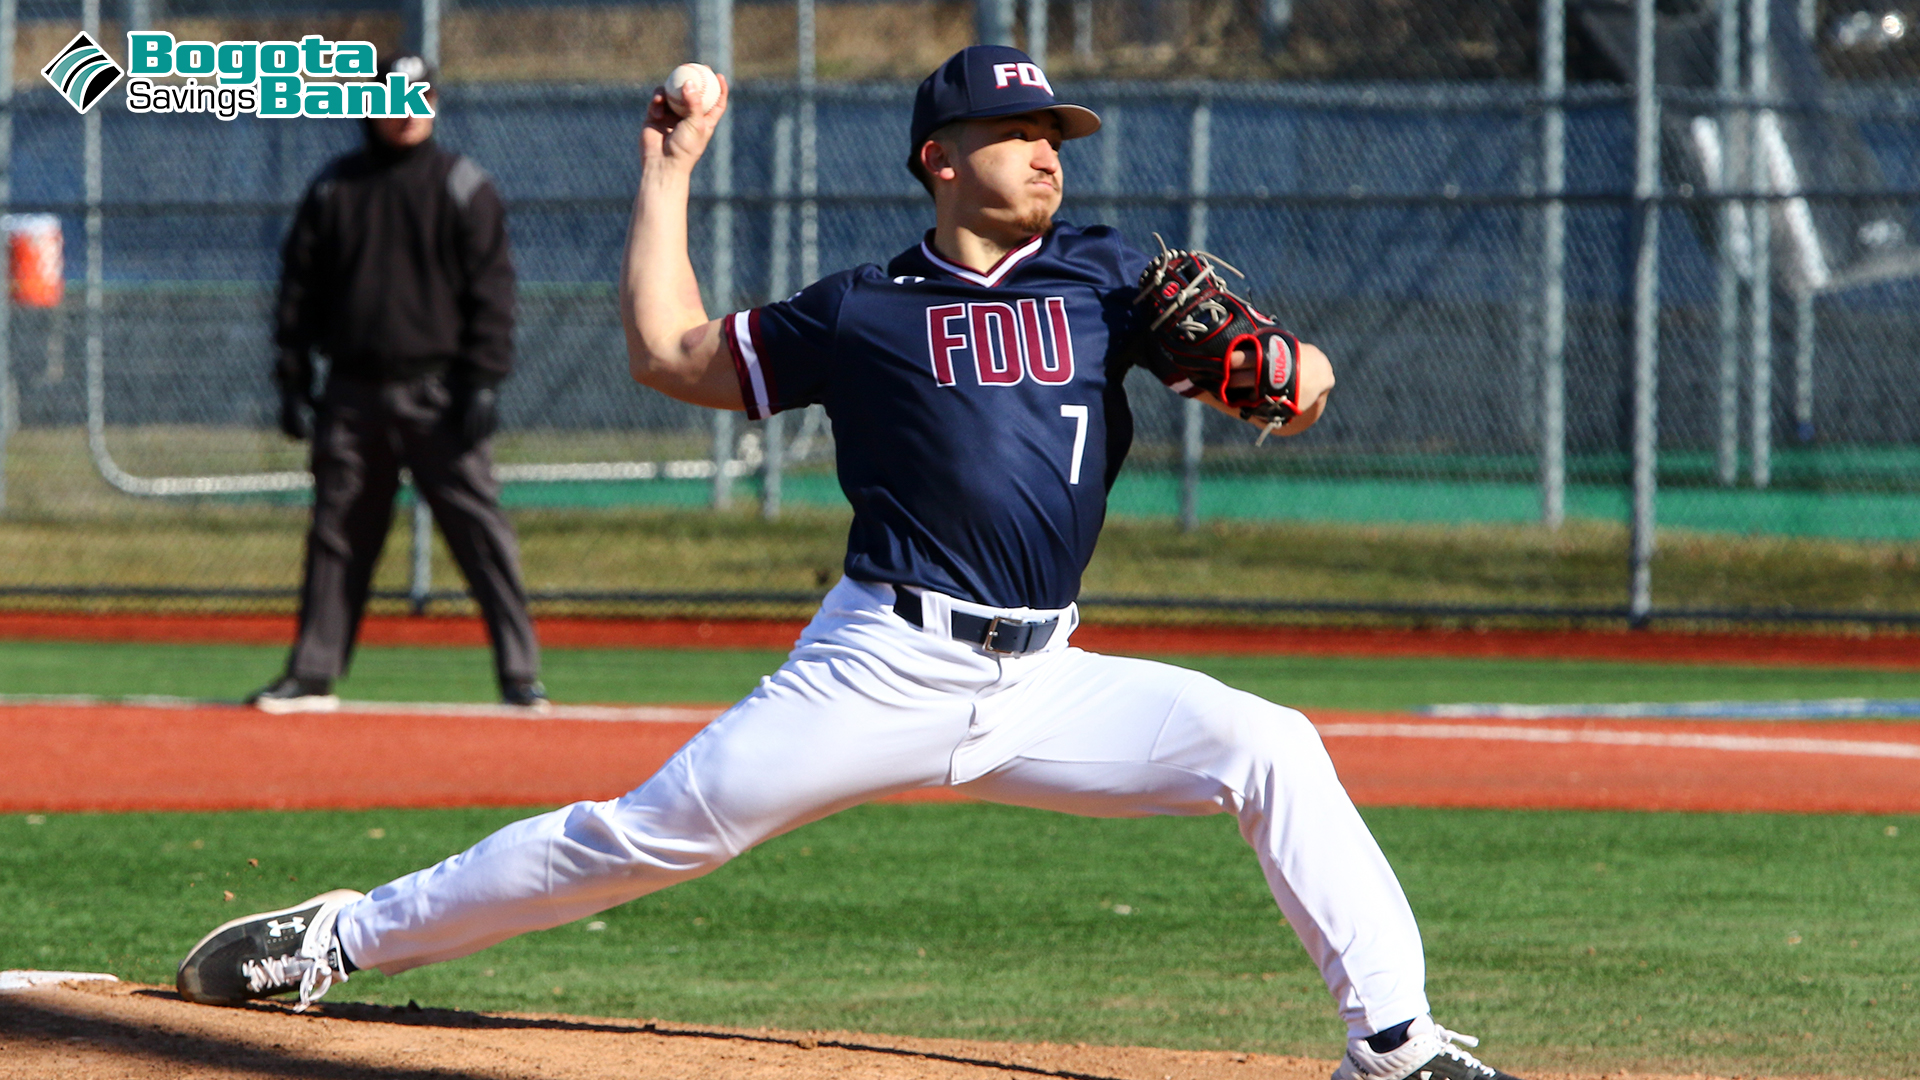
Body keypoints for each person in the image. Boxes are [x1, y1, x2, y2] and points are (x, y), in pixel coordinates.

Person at [182, 46, 1524, 1080]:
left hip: (1044, 677)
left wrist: (1290, 375)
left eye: (1054, 132)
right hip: (882, 661)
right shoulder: (865, 311)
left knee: (1271, 746)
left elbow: (1298, 384)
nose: (1047, 152)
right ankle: (340, 939)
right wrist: (669, 164)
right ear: (939, 157)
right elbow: (669, 354)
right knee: (643, 837)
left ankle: (1393, 1045)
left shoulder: (1112, 278)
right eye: (1015, 131)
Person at [251, 54, 546, 714]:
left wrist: (483, 382)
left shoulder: (462, 185)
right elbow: (299, 292)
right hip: (353, 394)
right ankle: (313, 671)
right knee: (338, 534)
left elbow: (493, 292)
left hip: (440, 394)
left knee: (480, 531)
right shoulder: (335, 188)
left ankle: (520, 674)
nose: (407, 108)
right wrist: (294, 377)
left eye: (420, 96)